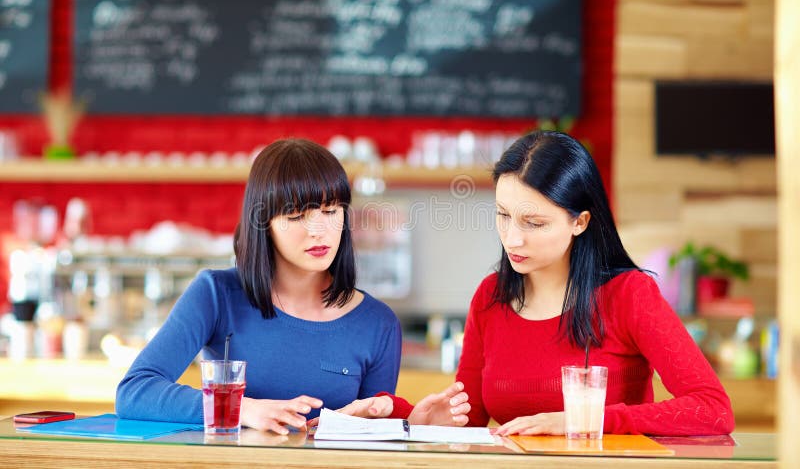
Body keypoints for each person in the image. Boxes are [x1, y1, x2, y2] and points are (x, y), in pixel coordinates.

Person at [341, 130, 735, 437]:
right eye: (503, 215)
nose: (512, 238)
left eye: (534, 223)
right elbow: (472, 420)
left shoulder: (629, 296)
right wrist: (413, 416)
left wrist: (583, 421)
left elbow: (712, 409)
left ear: (579, 221)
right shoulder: (491, 298)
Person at [117, 139, 425, 434]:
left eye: (331, 211)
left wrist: (369, 424)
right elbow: (135, 391)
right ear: (263, 222)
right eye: (296, 215)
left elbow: (375, 443)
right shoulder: (215, 294)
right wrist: (242, 409)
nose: (319, 231)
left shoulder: (378, 324)